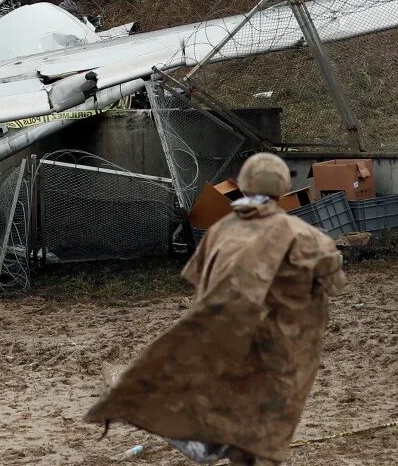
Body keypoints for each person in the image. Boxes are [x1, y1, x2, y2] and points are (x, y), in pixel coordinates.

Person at [86, 153, 346, 466]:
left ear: (244, 187)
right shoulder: (306, 236)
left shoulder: (220, 230)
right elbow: (333, 282)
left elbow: (199, 282)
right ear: (282, 190)